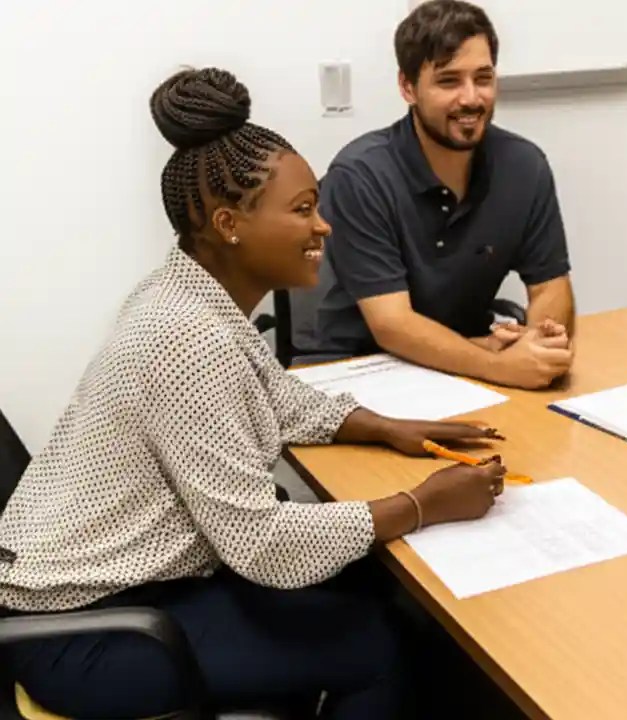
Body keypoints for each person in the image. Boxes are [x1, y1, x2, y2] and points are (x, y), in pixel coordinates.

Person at [0, 68, 508, 718]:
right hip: (88, 630)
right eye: (303, 209)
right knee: (376, 647)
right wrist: (419, 505)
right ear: (228, 223)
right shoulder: (186, 338)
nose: (323, 227)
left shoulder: (188, 295)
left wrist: (384, 427)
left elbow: (274, 396)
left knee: (370, 587)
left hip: (129, 588)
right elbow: (259, 541)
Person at [292, 0, 576, 389]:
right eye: (449, 81)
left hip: (464, 359)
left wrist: (540, 343)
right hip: (358, 368)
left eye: (483, 78)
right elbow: (392, 324)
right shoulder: (360, 175)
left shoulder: (525, 165)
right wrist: (501, 367)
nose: (471, 98)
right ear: (408, 87)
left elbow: (550, 286)